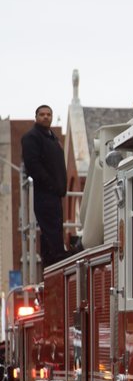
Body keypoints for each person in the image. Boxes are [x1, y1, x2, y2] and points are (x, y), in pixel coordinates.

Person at [20, 105, 70, 268]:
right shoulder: (31, 137)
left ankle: (55, 258)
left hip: (55, 194)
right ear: (36, 117)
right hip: (43, 192)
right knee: (50, 228)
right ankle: (56, 259)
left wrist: (60, 189)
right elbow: (33, 165)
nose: (46, 117)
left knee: (55, 227)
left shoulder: (52, 138)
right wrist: (51, 185)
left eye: (49, 114)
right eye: (42, 114)